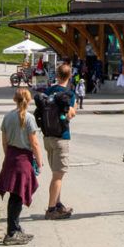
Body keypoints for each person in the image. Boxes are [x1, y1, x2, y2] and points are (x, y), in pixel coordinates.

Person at [0, 87, 42, 245]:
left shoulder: (7, 117)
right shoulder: (29, 118)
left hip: (11, 157)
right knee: (17, 196)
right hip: (23, 160)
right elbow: (34, 143)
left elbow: (3, 142)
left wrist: (8, 156)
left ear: (15, 99)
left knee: (16, 195)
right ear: (29, 100)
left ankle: (15, 228)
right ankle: (12, 232)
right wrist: (39, 161)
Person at [43, 62, 77, 220]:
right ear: (69, 76)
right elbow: (70, 115)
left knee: (55, 174)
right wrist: (73, 109)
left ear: (57, 75)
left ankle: (58, 204)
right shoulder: (68, 93)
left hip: (47, 137)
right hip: (61, 137)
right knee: (58, 176)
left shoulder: (48, 91)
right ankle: (51, 209)